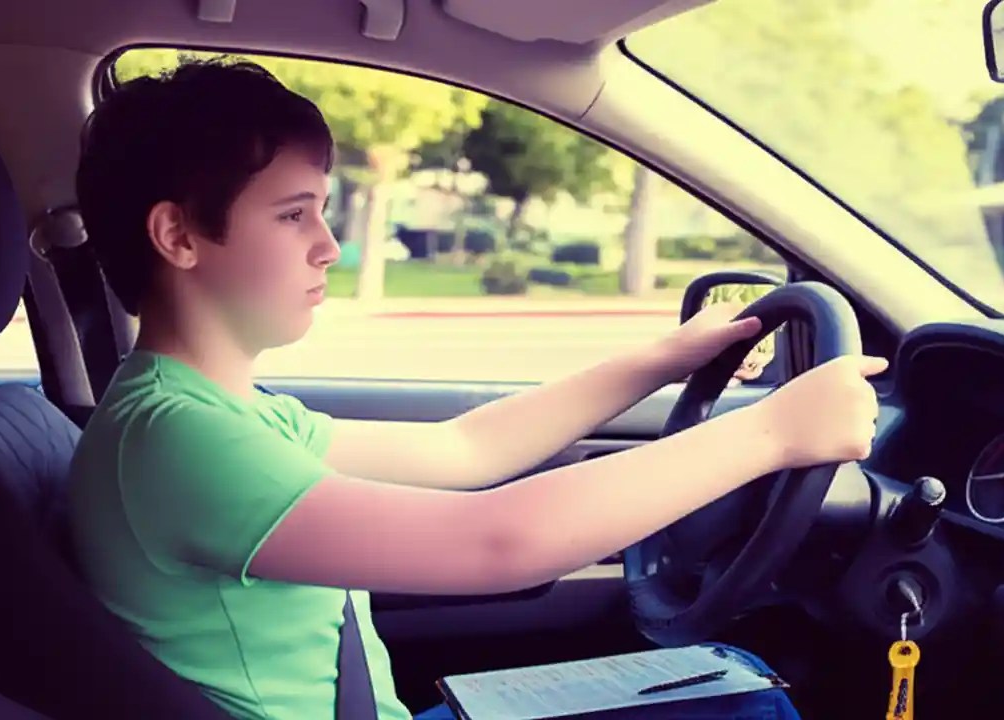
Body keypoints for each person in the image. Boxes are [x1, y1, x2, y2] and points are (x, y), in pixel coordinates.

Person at [67, 59, 887, 720]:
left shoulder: (220, 414)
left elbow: (465, 448)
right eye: (292, 215)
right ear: (178, 235)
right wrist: (772, 434)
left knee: (727, 682)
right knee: (742, 705)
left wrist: (665, 358)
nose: (328, 247)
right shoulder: (178, 442)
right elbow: (498, 542)